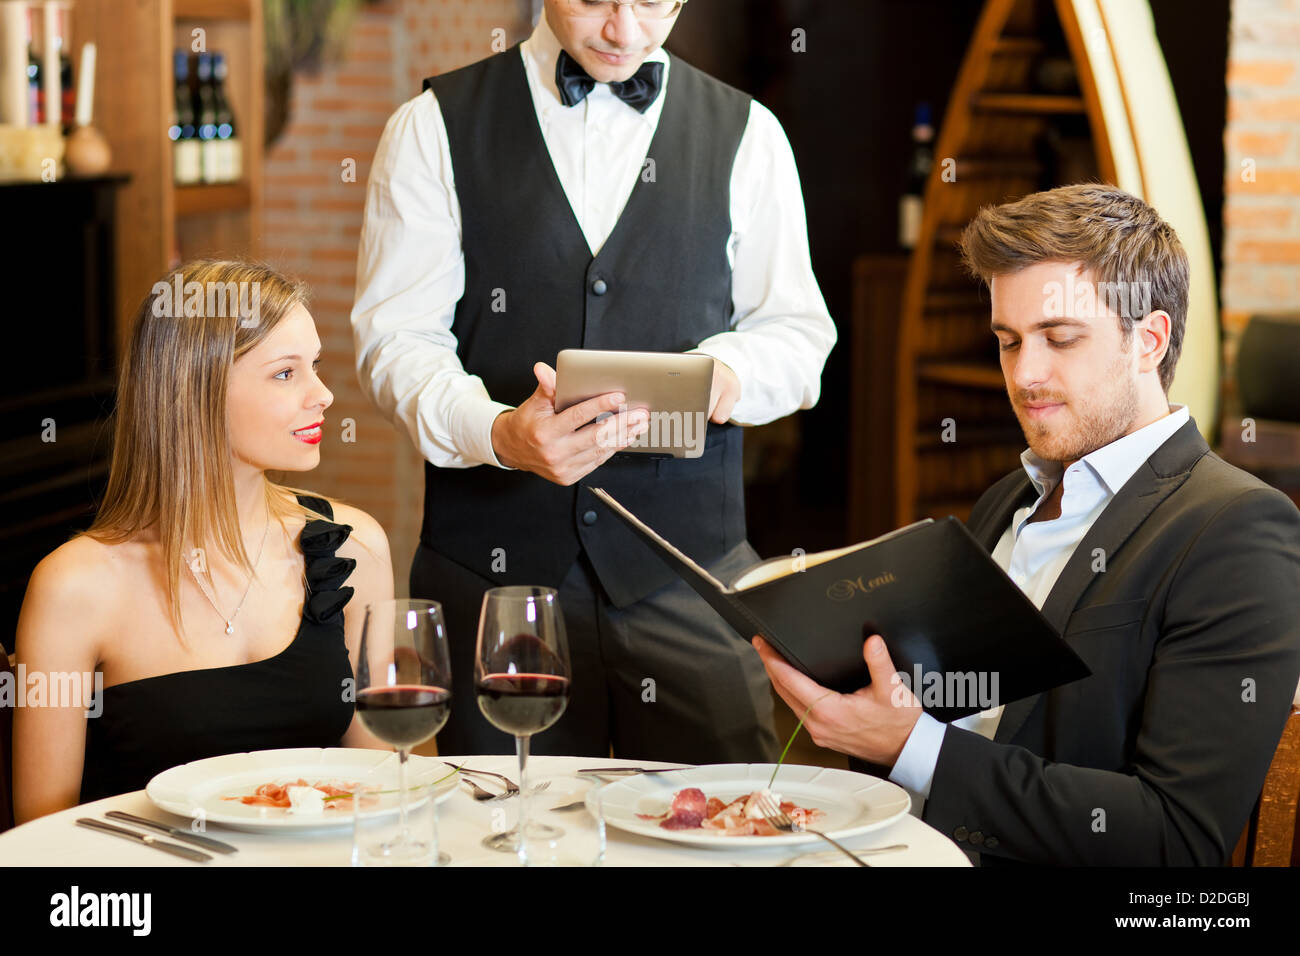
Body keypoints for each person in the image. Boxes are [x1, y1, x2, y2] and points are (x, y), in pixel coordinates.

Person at [752, 183, 1300, 865]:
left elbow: (1174, 840)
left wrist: (908, 744)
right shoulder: (1004, 501)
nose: (1025, 374)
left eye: (1059, 338)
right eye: (1009, 342)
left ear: (1148, 341)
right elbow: (950, 721)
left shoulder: (1237, 530)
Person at [352, 0, 835, 760]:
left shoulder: (749, 134)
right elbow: (395, 340)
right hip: (497, 579)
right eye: (597, 1)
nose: (624, 31)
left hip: (688, 569)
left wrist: (723, 377)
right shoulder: (431, 126)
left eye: (651, 4)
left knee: (718, 822)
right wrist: (498, 433)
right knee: (506, 829)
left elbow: (800, 334)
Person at [13, 260, 392, 822]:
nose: (324, 395)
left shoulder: (352, 547)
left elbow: (386, 786)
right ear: (197, 390)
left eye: (314, 366)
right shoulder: (75, 586)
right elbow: (42, 838)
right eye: (286, 373)